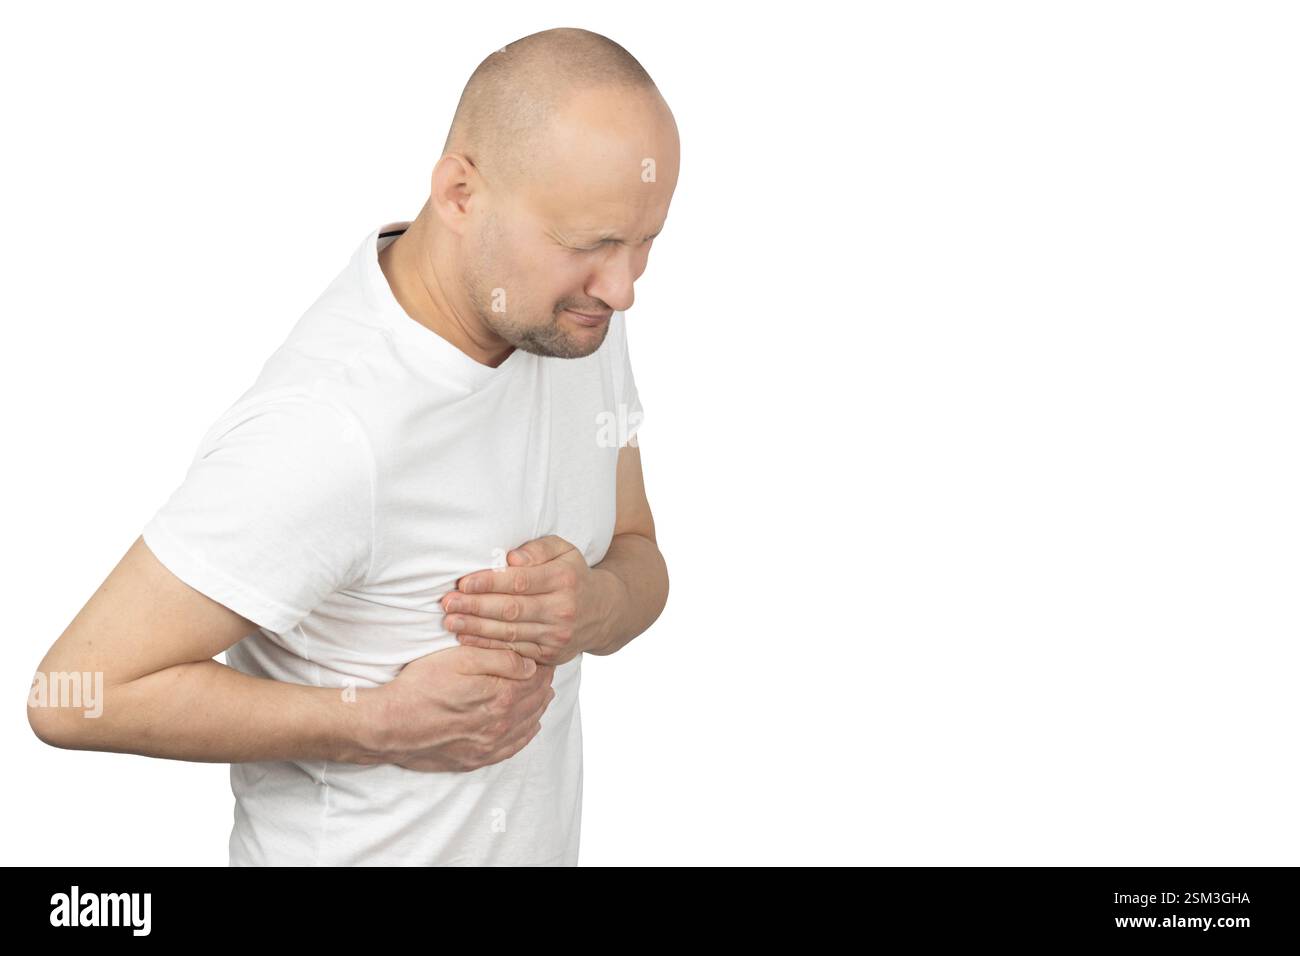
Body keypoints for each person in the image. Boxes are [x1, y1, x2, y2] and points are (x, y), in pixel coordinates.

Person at [27, 26, 676, 866]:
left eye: (644, 242)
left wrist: (594, 604)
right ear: (459, 192)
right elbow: (74, 694)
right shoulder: (328, 430)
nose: (623, 288)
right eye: (590, 245)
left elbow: (639, 555)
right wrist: (370, 723)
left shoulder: (574, 323)